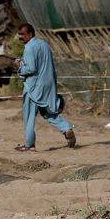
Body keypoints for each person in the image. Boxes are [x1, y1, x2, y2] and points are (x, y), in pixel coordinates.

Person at [15, 24, 76, 152]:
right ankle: (66, 128)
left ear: (30, 34)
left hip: (33, 87)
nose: (20, 37)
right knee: (48, 112)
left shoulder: (29, 47)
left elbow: (31, 68)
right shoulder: (44, 45)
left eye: (23, 34)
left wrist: (19, 67)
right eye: (19, 34)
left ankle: (29, 145)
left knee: (29, 116)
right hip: (48, 85)